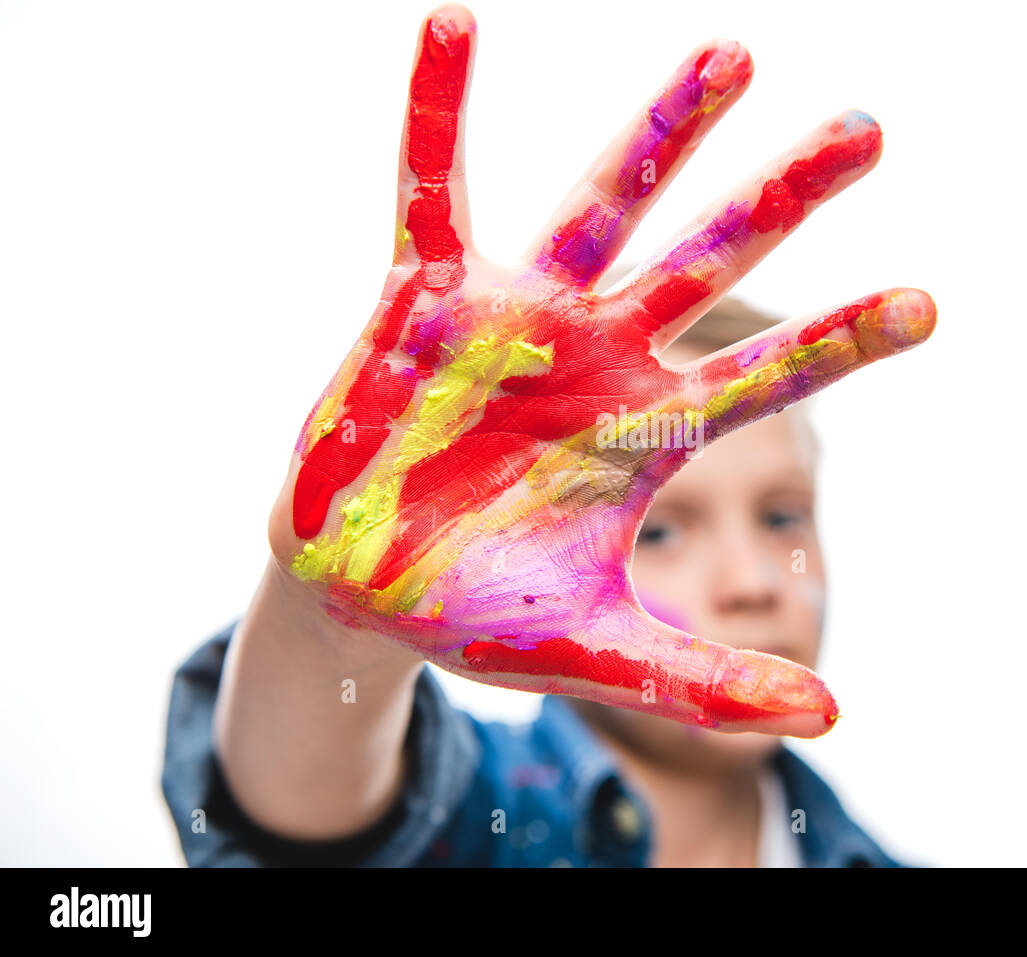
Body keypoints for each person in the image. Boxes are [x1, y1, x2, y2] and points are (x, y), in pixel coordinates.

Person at [161, 4, 935, 867]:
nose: (752, 581)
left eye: (782, 518)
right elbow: (301, 810)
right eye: (663, 530)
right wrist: (333, 625)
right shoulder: (482, 812)